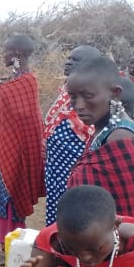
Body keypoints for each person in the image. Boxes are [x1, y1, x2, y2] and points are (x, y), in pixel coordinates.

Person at [65, 57, 134, 228]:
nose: (79, 105)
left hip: (116, 246)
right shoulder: (106, 130)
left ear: (115, 93)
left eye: (88, 96)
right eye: (73, 97)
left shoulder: (120, 137)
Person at [0, 34, 43, 267]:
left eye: (6, 51)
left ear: (17, 55)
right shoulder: (10, 82)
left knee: (8, 196)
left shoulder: (26, 83)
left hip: (14, 152)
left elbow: (26, 121)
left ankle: (7, 249)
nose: (3, 55)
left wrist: (2, 89)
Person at [43, 46, 102, 226]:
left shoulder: (92, 96)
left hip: (74, 169)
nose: (68, 62)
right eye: (68, 58)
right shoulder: (66, 92)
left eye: (75, 60)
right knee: (55, 210)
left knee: (72, 212)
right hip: (55, 167)